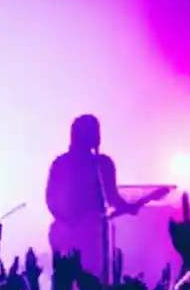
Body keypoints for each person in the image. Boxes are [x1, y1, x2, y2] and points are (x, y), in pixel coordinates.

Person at [45, 114, 135, 277]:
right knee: (90, 282)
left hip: (72, 234)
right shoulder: (102, 164)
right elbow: (112, 198)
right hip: (86, 236)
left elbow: (50, 200)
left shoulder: (62, 163)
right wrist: (129, 207)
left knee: (67, 284)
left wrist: (67, 221)